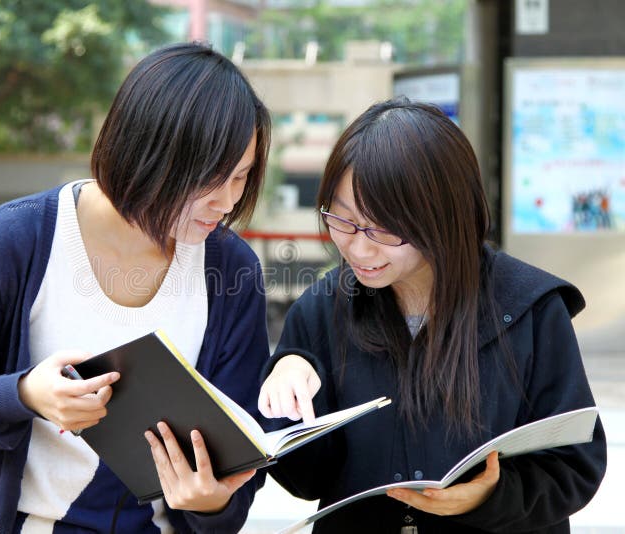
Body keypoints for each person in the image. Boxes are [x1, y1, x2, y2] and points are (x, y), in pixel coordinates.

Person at [0, 42, 271, 533]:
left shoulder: (230, 268)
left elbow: (244, 453)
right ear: (149, 153)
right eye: (212, 179)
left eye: (242, 179)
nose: (228, 202)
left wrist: (211, 503)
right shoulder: (15, 240)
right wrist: (24, 394)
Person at [258, 97, 606, 533]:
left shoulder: (532, 309)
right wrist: (283, 393)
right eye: (341, 220)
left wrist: (490, 497)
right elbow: (308, 480)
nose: (358, 248)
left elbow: (576, 464)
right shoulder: (321, 308)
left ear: (444, 216)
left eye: (383, 229)